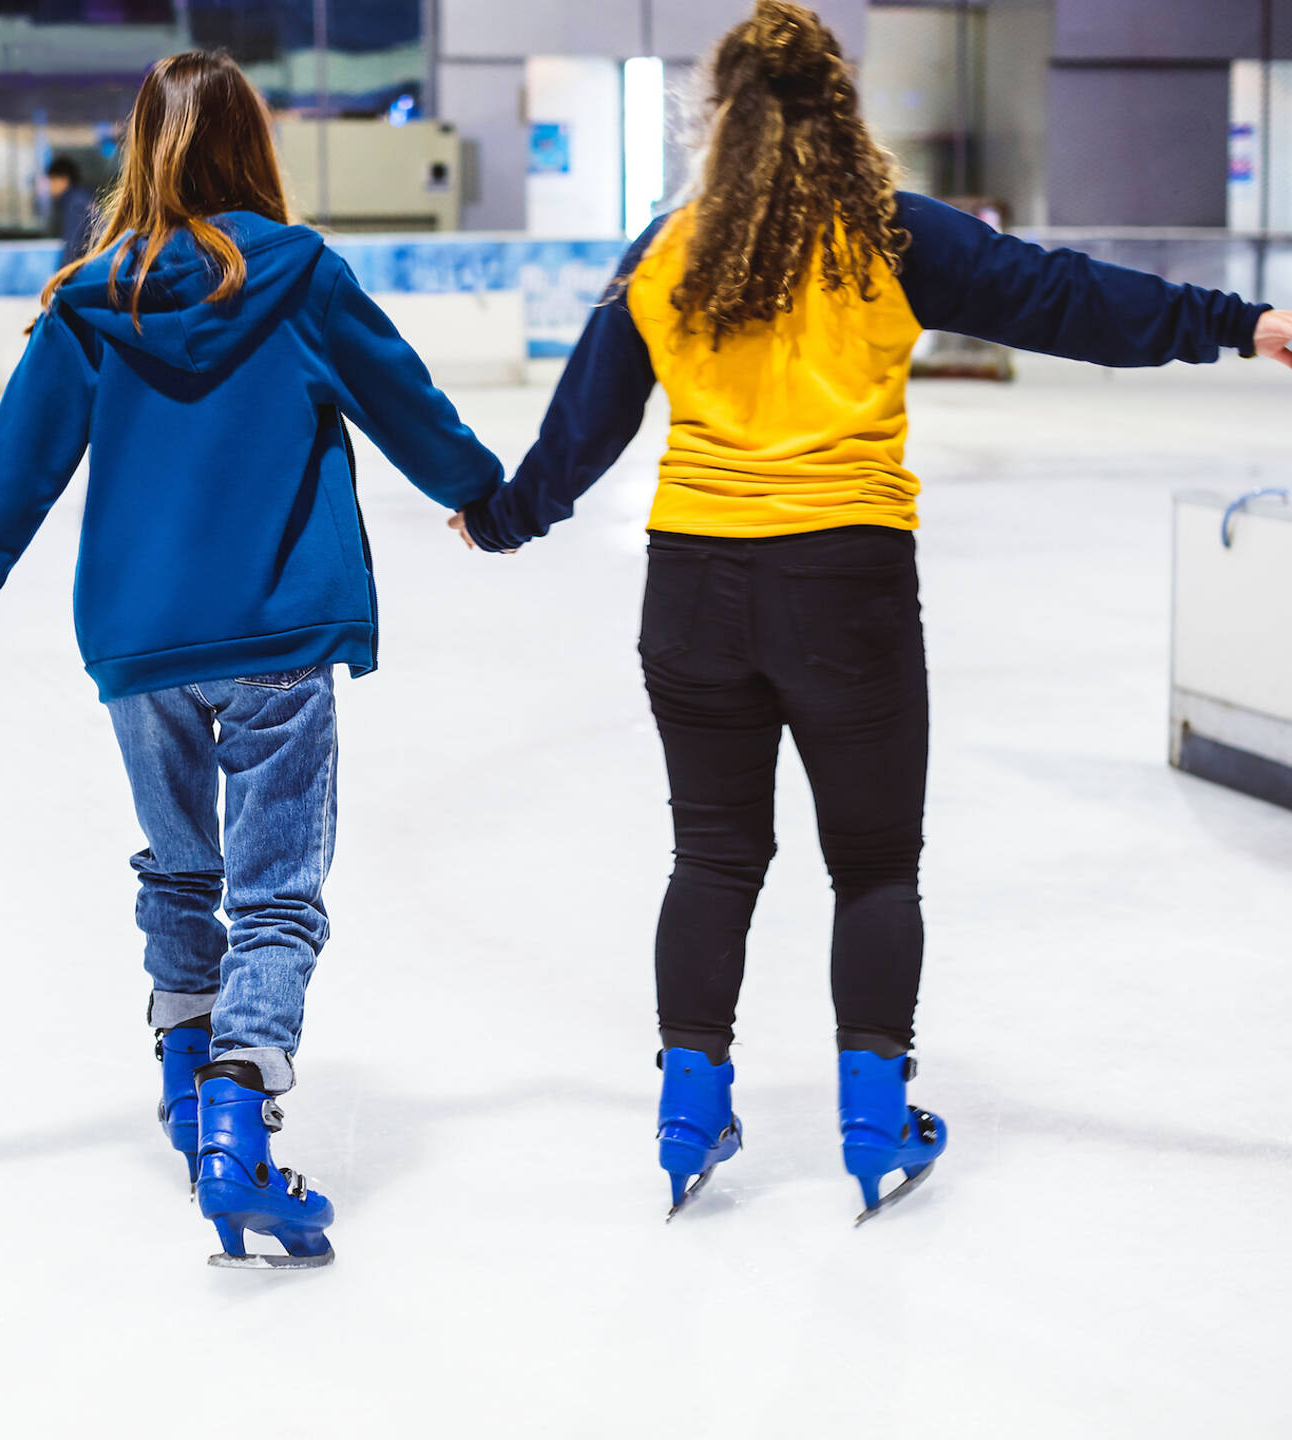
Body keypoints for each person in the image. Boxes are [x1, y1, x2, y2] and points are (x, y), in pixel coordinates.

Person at [452, 0, 1292, 1222]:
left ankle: (690, 1110)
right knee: (874, 868)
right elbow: (1062, 299)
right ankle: (873, 1116)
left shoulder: (666, 250)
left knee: (713, 856)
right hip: (843, 590)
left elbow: (582, 432)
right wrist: (1237, 322)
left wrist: (502, 517)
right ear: (838, 106)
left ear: (719, 114)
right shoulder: (890, 236)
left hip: (691, 591)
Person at [0, 50, 502, 1267]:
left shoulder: (90, 301)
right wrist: (483, 495)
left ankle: (188, 1091)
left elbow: (11, 476)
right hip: (278, 632)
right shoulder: (302, 278)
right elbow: (407, 403)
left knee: (182, 872)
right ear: (254, 145)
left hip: (142, 646)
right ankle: (238, 1119)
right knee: (273, 893)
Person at [45, 154, 96, 264]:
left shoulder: (76, 204)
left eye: (52, 181)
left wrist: (62, 277)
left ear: (64, 179)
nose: (50, 187)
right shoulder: (80, 198)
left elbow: (73, 248)